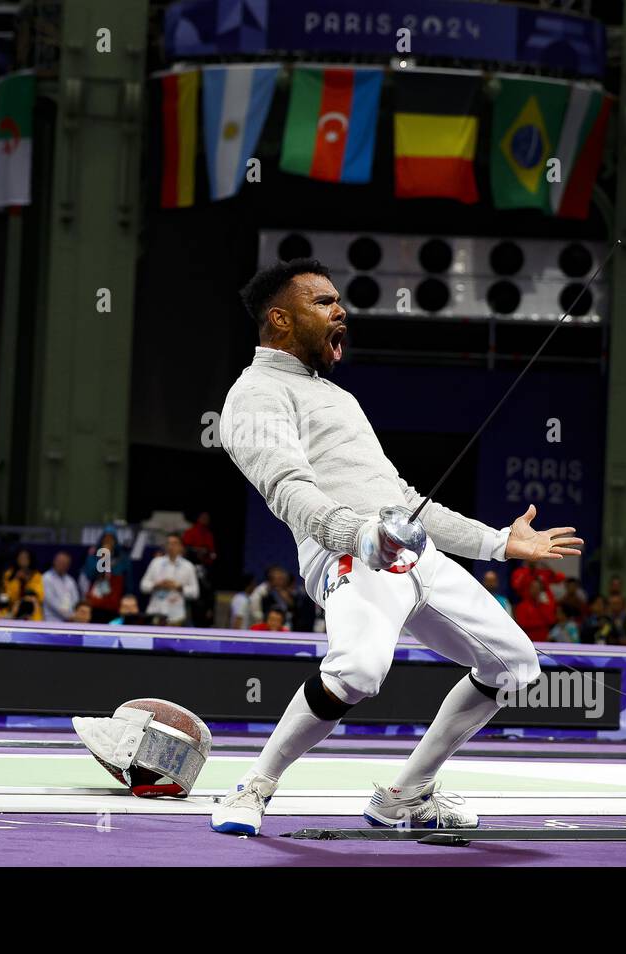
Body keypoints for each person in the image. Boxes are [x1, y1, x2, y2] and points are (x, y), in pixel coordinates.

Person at [210, 259, 581, 836]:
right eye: (325, 303)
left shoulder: (341, 400)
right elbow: (287, 488)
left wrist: (500, 543)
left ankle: (406, 795)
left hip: (414, 557)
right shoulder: (254, 394)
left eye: (339, 302)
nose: (341, 312)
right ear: (280, 319)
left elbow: (405, 501)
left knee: (515, 662)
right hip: (350, 557)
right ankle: (255, 785)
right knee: (358, 669)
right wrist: (357, 535)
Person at [139, 533, 200, 625]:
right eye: (168, 543)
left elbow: (195, 593)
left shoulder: (188, 566)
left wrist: (179, 587)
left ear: (181, 547)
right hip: (155, 612)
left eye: (175, 543)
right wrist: (157, 585)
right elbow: (143, 586)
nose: (171, 546)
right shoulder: (156, 563)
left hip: (176, 615)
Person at [80, 530, 133, 624]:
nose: (108, 542)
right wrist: (103, 559)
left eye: (111, 539)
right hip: (95, 604)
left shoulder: (122, 558)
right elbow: (90, 575)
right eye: (106, 539)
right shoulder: (93, 557)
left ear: (115, 541)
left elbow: (127, 581)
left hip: (114, 605)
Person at [2, 548, 44, 621]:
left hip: (31, 608)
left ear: (30, 559)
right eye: (21, 557)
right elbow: (8, 596)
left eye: (25, 558)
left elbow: (40, 597)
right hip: (12, 608)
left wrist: (27, 581)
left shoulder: (37, 576)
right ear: (17, 559)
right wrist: (16, 580)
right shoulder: (9, 574)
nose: (23, 560)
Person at [514, 577, 557, 643]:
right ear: (529, 589)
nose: (536, 590)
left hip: (545, 642)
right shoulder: (522, 606)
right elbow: (523, 624)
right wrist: (542, 623)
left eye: (538, 588)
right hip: (528, 642)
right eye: (533, 587)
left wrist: (543, 605)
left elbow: (551, 621)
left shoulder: (546, 604)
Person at [42, 551, 80, 622]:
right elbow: (51, 601)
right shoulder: (46, 578)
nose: (62, 565)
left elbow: (76, 600)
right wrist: (69, 615)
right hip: (51, 620)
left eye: (65, 563)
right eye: (60, 562)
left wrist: (74, 615)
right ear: (54, 562)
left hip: (70, 620)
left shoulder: (70, 580)